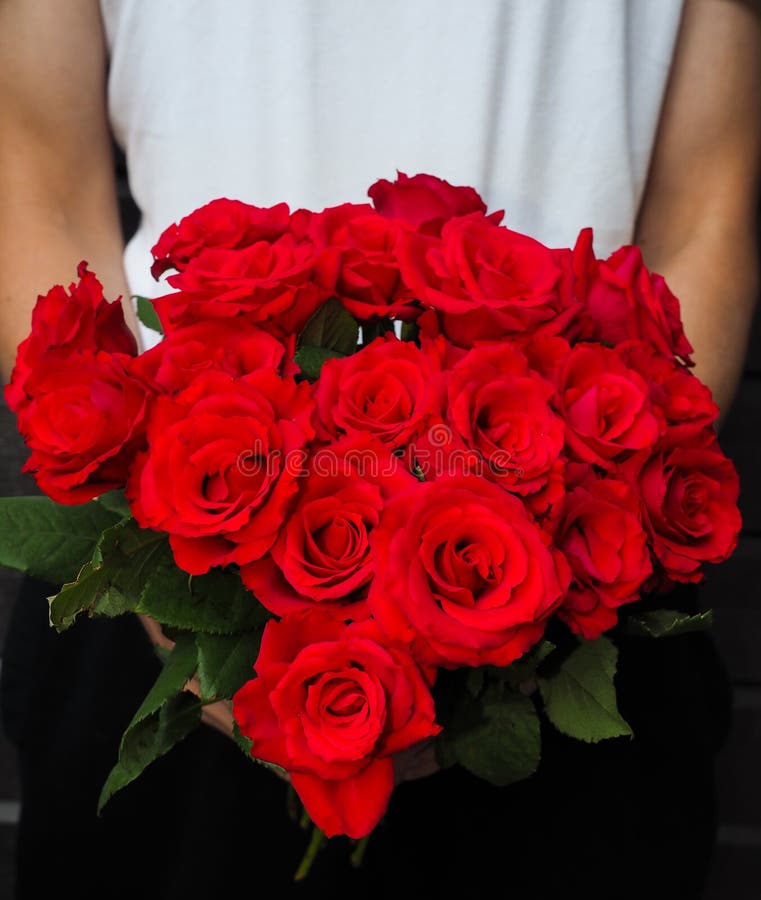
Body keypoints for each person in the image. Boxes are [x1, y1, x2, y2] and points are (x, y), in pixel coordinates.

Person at [0, 1, 759, 897]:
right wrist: (161, 541)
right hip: (169, 555)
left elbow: (706, 209)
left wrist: (540, 576)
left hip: (575, 554)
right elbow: (38, 169)